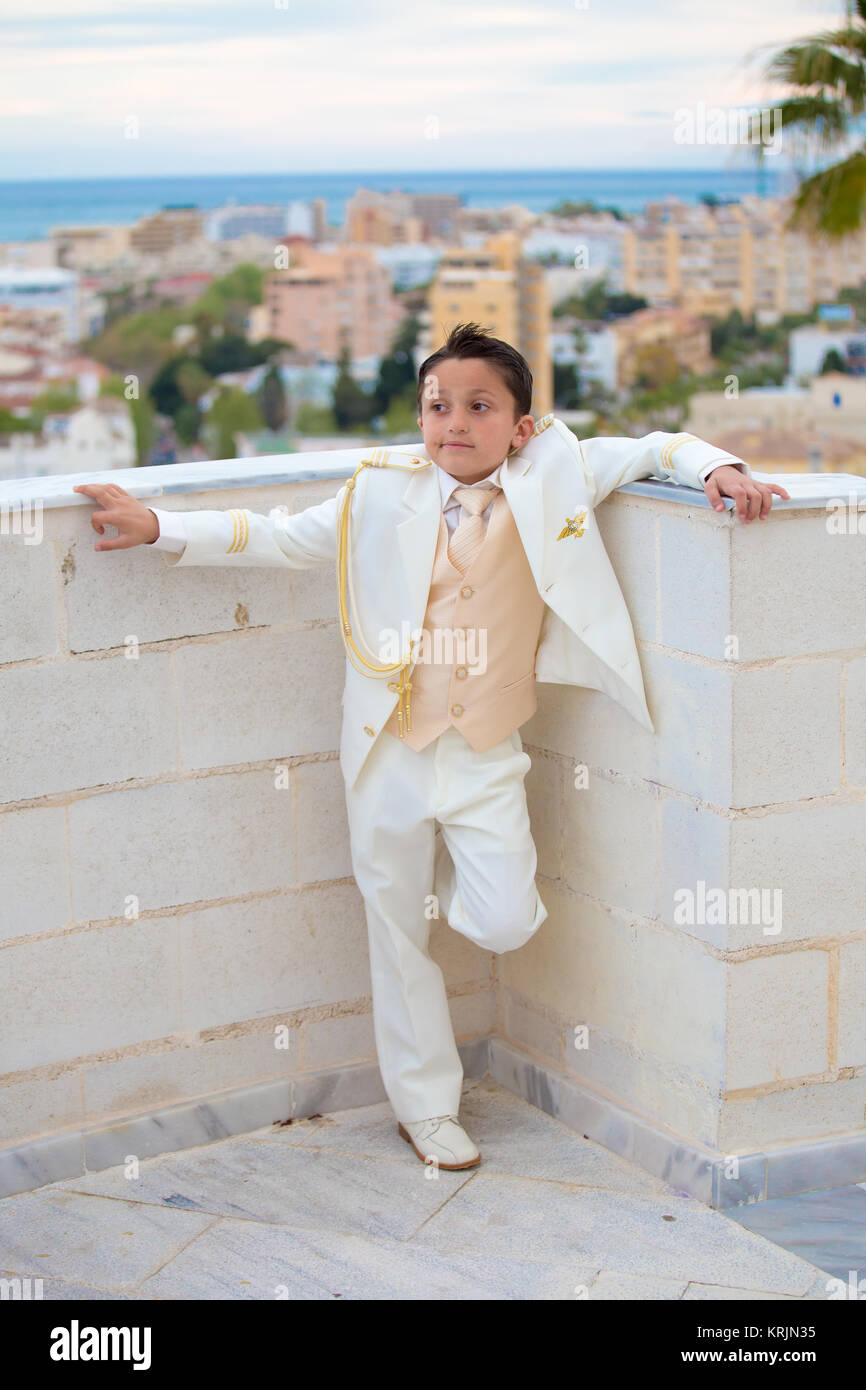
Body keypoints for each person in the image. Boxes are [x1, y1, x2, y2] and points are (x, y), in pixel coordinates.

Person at [73, 322, 789, 1171]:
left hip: (487, 748)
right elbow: (279, 535)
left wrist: (715, 466)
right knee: (396, 937)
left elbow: (656, 446)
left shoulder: (559, 471)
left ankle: (444, 882)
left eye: (479, 406)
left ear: (520, 426)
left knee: (503, 919)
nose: (453, 422)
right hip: (389, 753)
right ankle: (427, 1109)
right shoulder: (379, 493)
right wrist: (159, 525)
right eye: (437, 405)